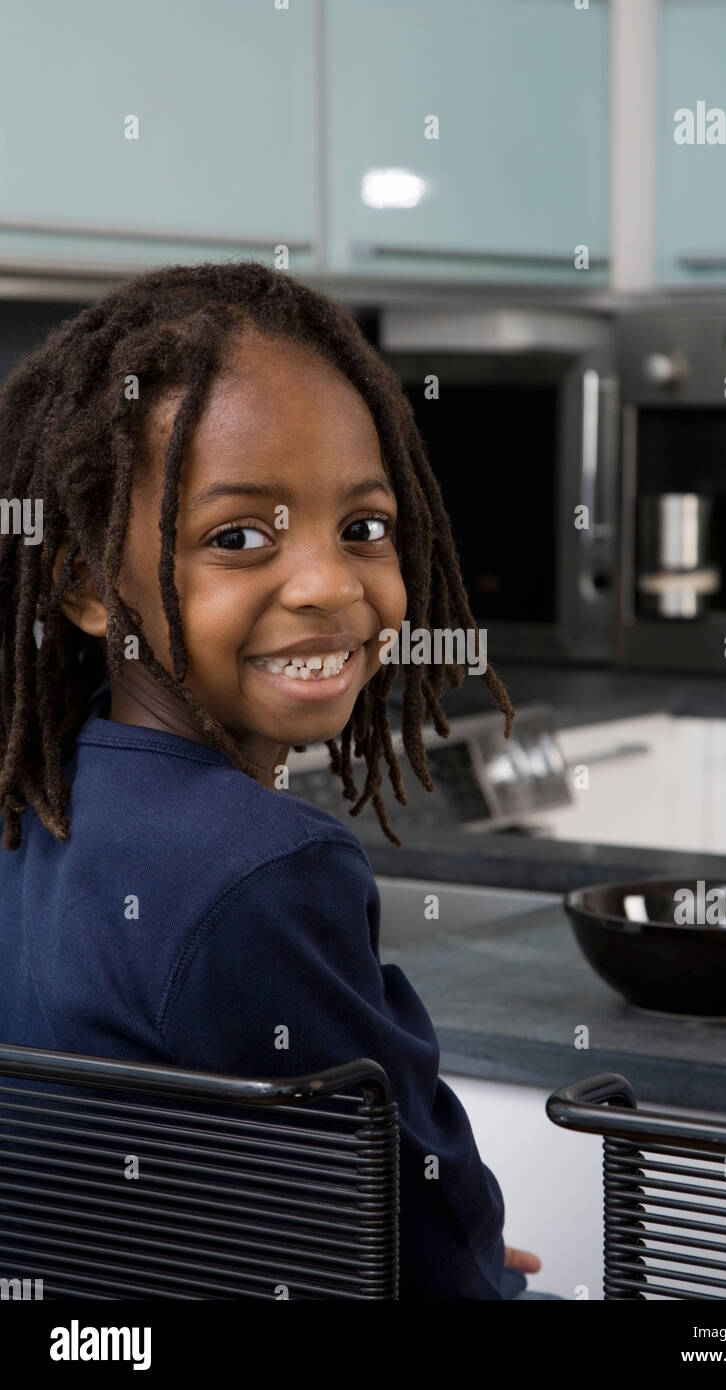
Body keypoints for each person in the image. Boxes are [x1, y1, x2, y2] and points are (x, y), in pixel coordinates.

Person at [0, 262, 547, 1299]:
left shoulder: (33, 800)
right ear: (80, 583)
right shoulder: (263, 868)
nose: (329, 584)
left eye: (363, 527)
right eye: (238, 537)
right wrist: (472, 1271)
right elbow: (415, 1225)